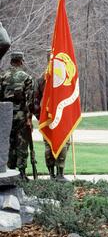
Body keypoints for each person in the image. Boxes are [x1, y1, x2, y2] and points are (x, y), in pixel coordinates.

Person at [33, 49, 70, 182]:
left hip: (48, 119)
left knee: (50, 145)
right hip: (59, 118)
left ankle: (52, 174)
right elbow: (35, 101)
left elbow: (35, 101)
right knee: (62, 143)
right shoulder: (63, 77)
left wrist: (40, 116)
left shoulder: (41, 78)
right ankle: (59, 174)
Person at [0, 52, 34, 181]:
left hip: (5, 115)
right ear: (21, 61)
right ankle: (21, 173)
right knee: (22, 143)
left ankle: (9, 169)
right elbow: (29, 101)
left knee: (8, 143)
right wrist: (29, 119)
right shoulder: (26, 77)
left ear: (11, 61)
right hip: (21, 115)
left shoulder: (2, 76)